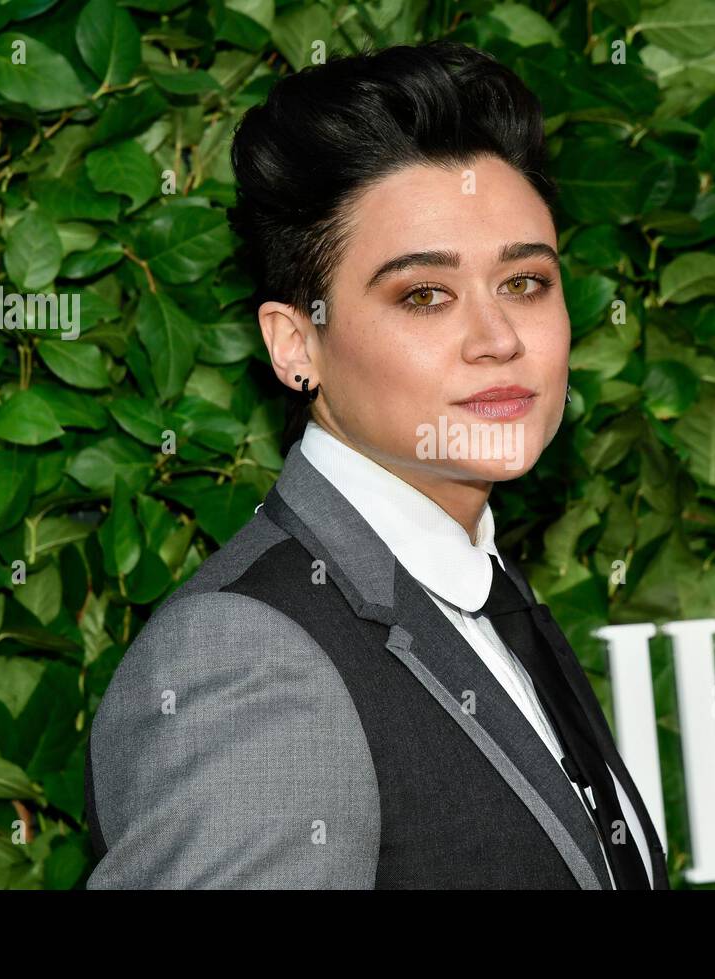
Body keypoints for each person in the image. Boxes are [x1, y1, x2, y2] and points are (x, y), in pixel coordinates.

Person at [84, 39, 668, 889]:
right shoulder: (248, 661)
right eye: (424, 295)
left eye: (526, 282)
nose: (499, 338)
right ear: (296, 344)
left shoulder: (487, 593)